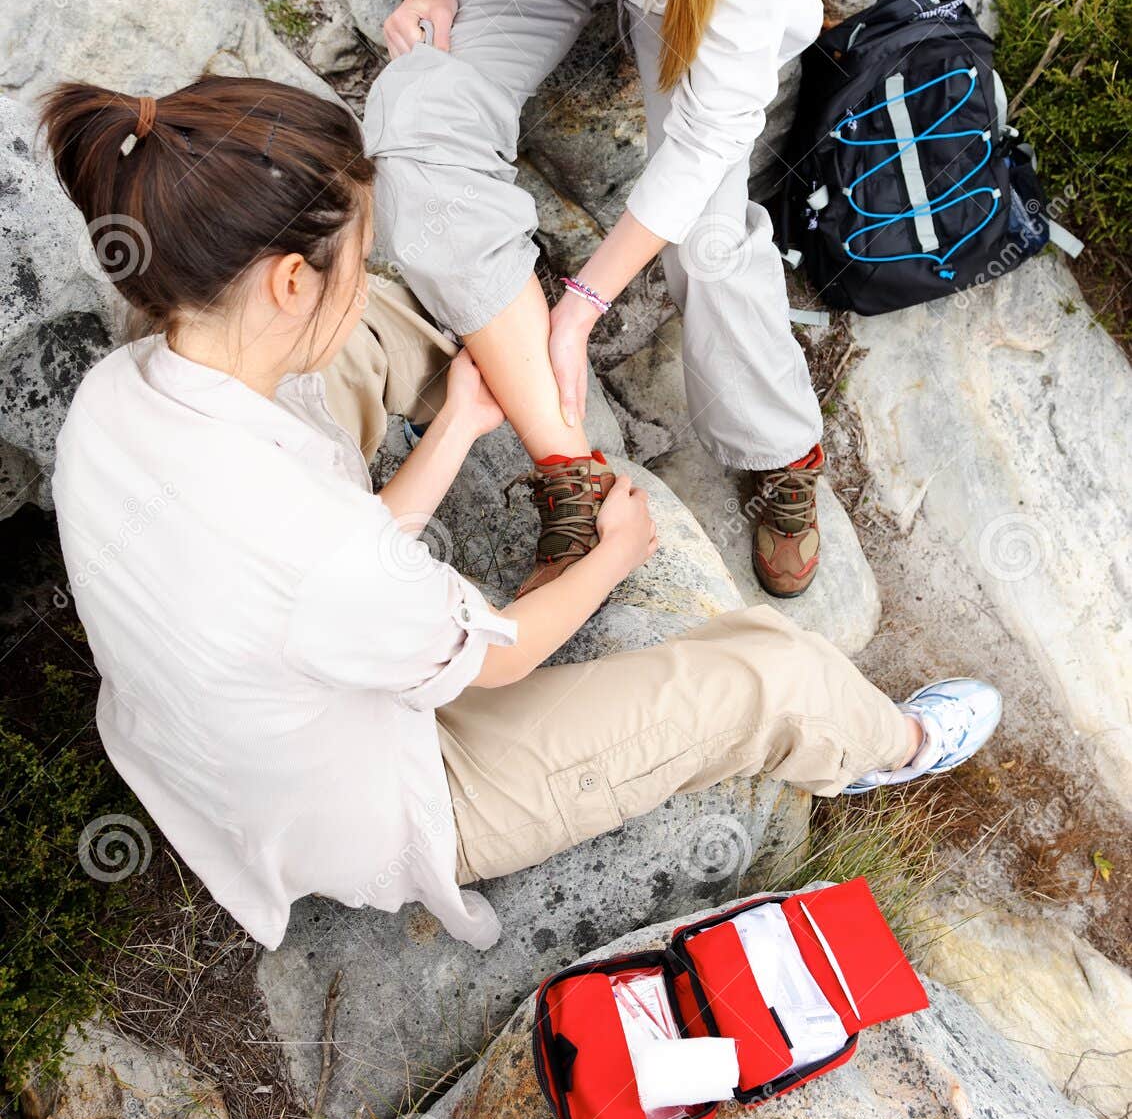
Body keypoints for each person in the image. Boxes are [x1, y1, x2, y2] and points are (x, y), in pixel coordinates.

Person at [46, 76, 1000, 952]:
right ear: (289, 280)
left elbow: (322, 566)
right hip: (394, 798)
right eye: (352, 261)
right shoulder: (325, 558)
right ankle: (897, 748)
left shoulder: (111, 398)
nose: (364, 274)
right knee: (773, 673)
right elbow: (493, 657)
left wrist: (457, 427)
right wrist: (612, 556)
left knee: (364, 340)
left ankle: (525, 417)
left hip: (221, 728)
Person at [306, 0, 830, 599]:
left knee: (708, 228)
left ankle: (776, 449)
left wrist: (582, 304)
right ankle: (567, 460)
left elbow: (718, 117)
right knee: (413, 115)